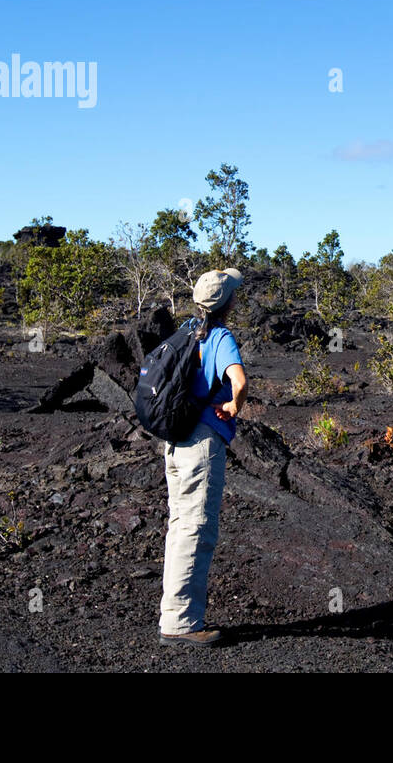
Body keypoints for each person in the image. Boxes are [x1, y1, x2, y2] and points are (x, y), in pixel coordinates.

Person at [158, 267, 248, 648]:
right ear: (227, 303)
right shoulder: (220, 336)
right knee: (196, 528)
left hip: (174, 441)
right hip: (201, 443)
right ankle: (181, 624)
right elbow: (239, 381)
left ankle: (173, 614)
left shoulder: (186, 330)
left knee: (180, 525)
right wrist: (233, 405)